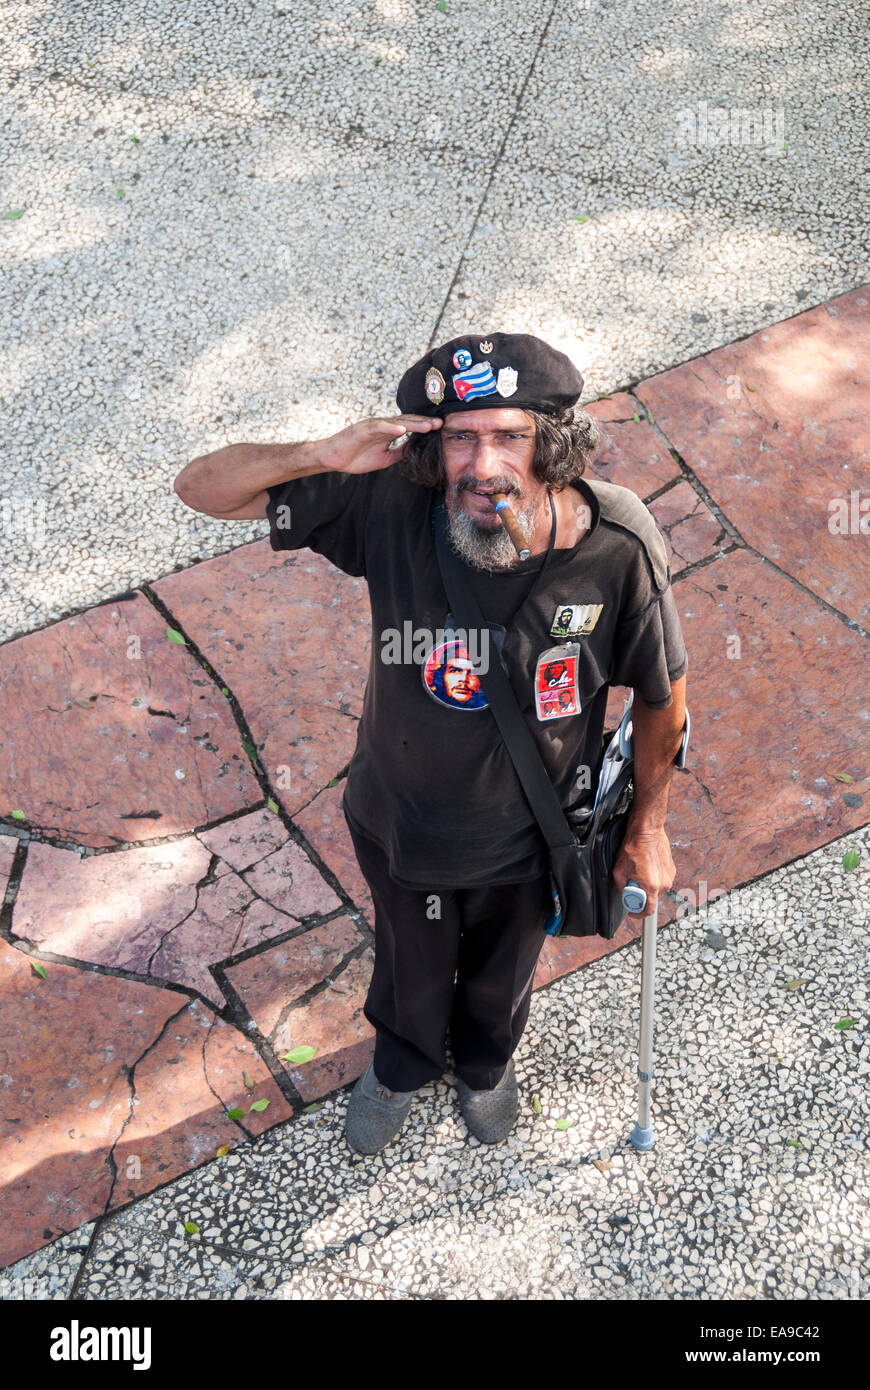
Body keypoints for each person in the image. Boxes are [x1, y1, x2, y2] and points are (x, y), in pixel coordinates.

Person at [174, 331, 689, 1155]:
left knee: (503, 968)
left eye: (509, 436)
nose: (482, 465)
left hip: (536, 832)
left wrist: (649, 827)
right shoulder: (390, 506)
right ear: (431, 445)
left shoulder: (616, 543)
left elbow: (663, 695)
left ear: (551, 444)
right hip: (400, 820)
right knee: (411, 956)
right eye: (459, 437)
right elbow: (199, 489)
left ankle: (486, 1064)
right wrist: (323, 451)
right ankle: (404, 1062)